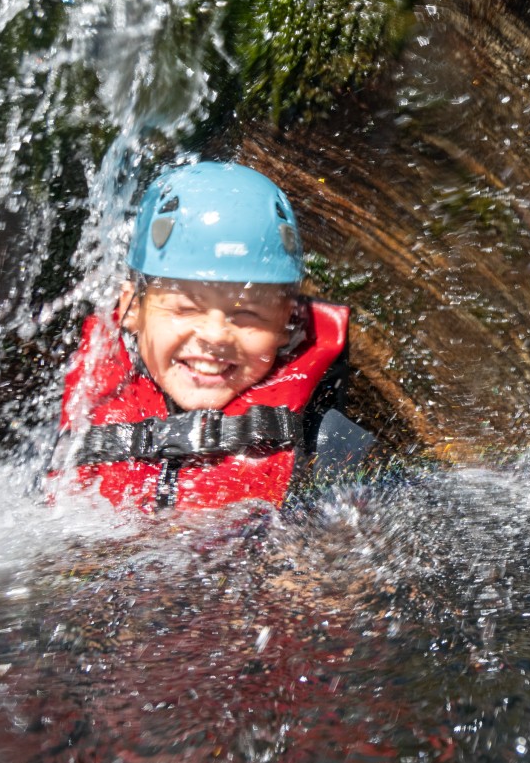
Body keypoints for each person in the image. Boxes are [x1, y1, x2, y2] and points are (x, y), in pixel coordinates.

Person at [53, 161, 373, 511]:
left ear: (287, 322)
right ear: (132, 308)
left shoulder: (326, 445)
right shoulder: (89, 411)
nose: (215, 336)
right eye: (185, 309)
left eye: (247, 315)